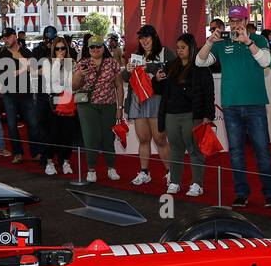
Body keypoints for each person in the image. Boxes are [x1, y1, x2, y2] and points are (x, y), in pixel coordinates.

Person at [196, 13, 271, 208]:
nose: (235, 25)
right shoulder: (221, 43)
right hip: (231, 105)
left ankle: (270, 194)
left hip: (255, 103)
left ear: (246, 22)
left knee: (262, 150)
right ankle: (241, 193)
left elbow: (266, 62)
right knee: (236, 152)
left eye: (238, 21)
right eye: (232, 21)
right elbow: (199, 62)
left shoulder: (258, 39)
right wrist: (209, 42)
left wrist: (248, 42)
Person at [155, 32, 214, 197]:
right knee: (175, 150)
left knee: (194, 150)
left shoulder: (201, 67)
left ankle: (197, 184)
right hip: (171, 114)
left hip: (193, 115)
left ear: (191, 48)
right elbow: (160, 91)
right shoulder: (170, 66)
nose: (179, 50)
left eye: (183, 48)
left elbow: (209, 93)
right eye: (178, 48)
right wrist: (156, 80)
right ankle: (174, 182)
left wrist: (208, 116)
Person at [122, 25, 172, 185]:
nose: (144, 41)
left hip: (157, 99)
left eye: (147, 37)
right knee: (143, 138)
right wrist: (128, 70)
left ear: (154, 37)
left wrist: (149, 67)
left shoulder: (165, 52)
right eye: (141, 38)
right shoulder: (136, 55)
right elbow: (124, 78)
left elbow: (173, 71)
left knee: (160, 139)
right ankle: (144, 172)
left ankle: (171, 173)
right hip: (138, 100)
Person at [71, 35, 122, 182]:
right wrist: (80, 74)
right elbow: (74, 86)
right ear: (88, 48)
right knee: (90, 138)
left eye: (98, 46)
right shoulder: (82, 63)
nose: (95, 49)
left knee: (108, 138)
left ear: (103, 47)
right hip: (87, 106)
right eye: (92, 47)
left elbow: (119, 85)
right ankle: (91, 170)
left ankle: (111, 168)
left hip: (109, 105)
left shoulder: (112, 63)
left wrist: (120, 107)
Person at [0, 27, 41, 165]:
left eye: (8, 37)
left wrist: (19, 61)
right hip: (10, 94)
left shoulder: (26, 51)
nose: (5, 40)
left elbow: (34, 70)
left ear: (15, 36)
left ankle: (35, 152)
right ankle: (18, 153)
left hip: (26, 93)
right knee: (11, 125)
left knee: (33, 124)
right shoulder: (1, 55)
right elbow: (0, 75)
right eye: (4, 38)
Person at [40, 36, 79, 175]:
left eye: (63, 48)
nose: (60, 51)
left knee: (67, 135)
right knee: (52, 134)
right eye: (57, 48)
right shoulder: (47, 62)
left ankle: (66, 162)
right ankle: (50, 162)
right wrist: (57, 63)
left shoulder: (72, 63)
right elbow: (51, 82)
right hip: (52, 102)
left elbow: (73, 84)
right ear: (53, 49)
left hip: (68, 101)